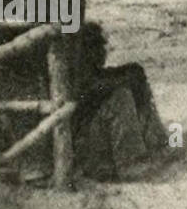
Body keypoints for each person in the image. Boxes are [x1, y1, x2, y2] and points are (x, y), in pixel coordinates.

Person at [73, 23, 177, 181]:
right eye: (98, 46)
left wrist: (133, 73)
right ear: (88, 50)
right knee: (121, 96)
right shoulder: (76, 77)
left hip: (94, 142)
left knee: (132, 79)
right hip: (85, 150)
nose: (103, 51)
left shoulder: (87, 70)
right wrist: (125, 79)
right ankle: (131, 165)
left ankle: (157, 145)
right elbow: (92, 88)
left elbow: (102, 79)